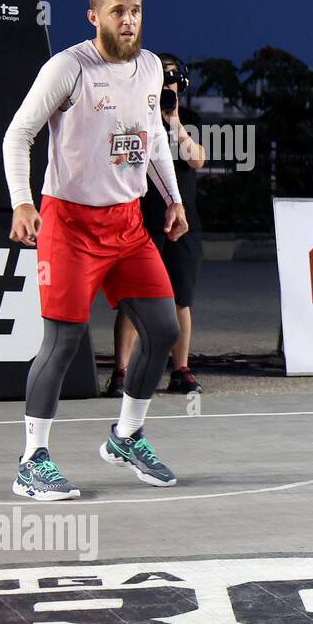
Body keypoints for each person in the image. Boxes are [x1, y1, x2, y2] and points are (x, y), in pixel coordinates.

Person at [1, 0, 186, 500]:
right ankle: (32, 459)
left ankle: (127, 435)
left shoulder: (151, 67)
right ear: (94, 17)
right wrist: (22, 201)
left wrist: (172, 198)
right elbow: (18, 134)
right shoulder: (69, 67)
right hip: (70, 223)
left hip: (127, 224)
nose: (129, 20)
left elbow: (151, 140)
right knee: (62, 341)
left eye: (136, 10)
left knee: (163, 330)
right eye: (118, 11)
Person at [107, 53, 206, 396]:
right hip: (141, 218)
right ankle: (120, 372)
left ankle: (181, 369)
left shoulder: (189, 118)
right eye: (161, 78)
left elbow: (196, 159)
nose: (168, 85)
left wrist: (174, 121)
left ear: (183, 84)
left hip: (182, 220)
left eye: (173, 79)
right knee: (133, 298)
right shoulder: (133, 114)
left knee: (181, 298)